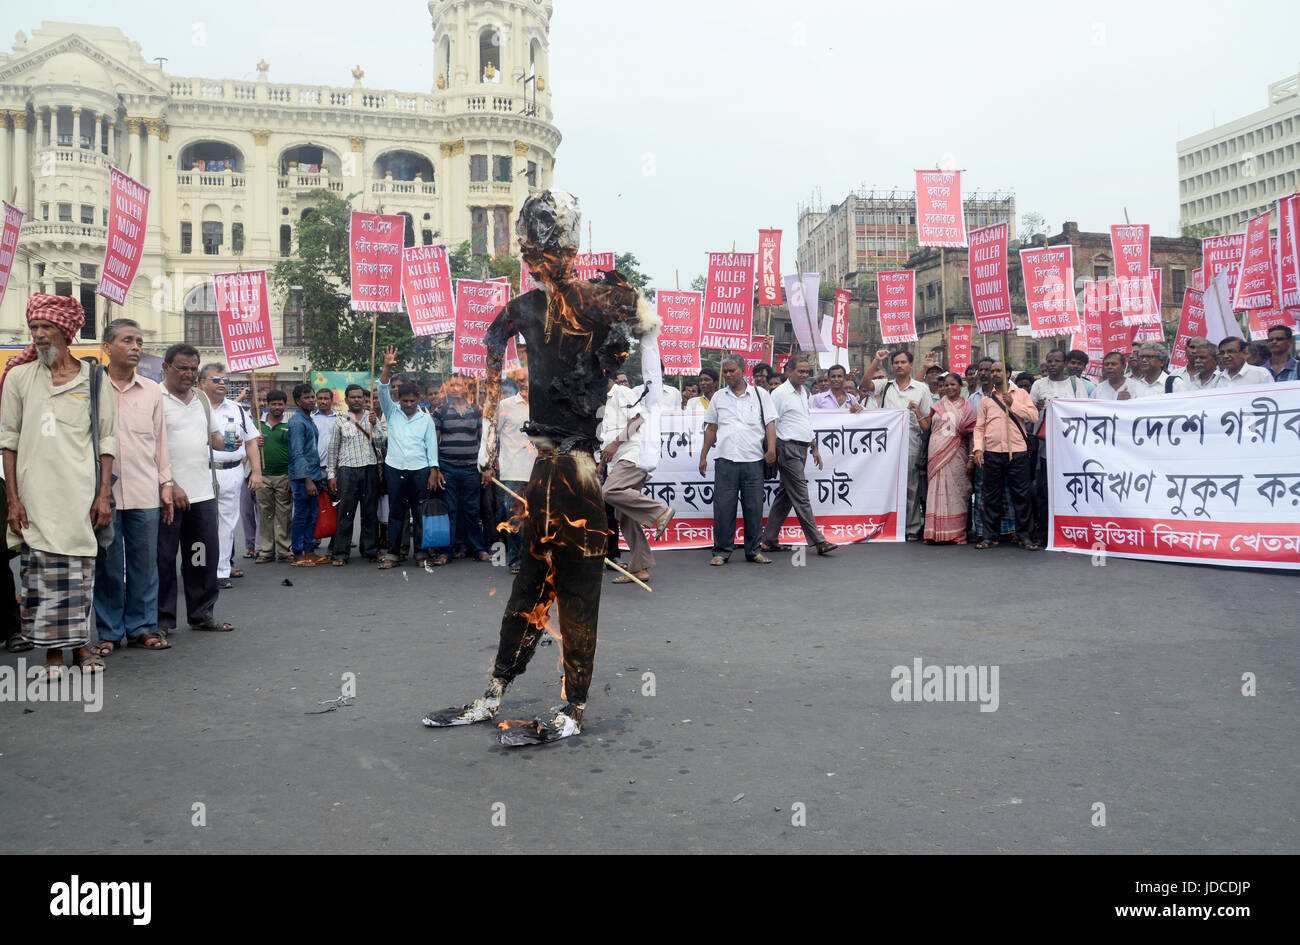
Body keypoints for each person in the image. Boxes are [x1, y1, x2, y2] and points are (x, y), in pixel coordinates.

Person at [424, 188, 659, 744]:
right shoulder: (532, 307)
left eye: (543, 245)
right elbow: (489, 358)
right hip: (548, 473)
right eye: (534, 248)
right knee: (529, 586)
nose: (538, 258)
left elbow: (647, 328)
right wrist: (486, 442)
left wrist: (640, 385)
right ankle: (494, 693)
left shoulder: (596, 300)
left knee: (576, 590)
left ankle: (573, 708)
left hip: (575, 472)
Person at [2, 294, 115, 675]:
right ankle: (52, 655)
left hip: (80, 495)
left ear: (67, 332)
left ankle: (81, 649)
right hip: (34, 498)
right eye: (34, 328)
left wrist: (103, 497)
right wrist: (13, 502)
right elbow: (9, 441)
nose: (39, 335)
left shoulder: (94, 377)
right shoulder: (18, 378)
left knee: (80, 576)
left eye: (46, 327)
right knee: (41, 578)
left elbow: (107, 442)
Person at [91, 318, 173, 654]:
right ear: (108, 348)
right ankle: (109, 632)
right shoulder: (91, 390)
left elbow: (160, 443)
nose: (136, 347)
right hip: (102, 495)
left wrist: (166, 484)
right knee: (107, 566)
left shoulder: (152, 391)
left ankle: (142, 627)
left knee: (144, 565)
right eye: (128, 341)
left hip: (144, 492)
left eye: (139, 341)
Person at [158, 343, 233, 631]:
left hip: (202, 495)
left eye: (193, 369)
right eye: (182, 368)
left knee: (200, 556)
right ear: (166, 368)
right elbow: (148, 445)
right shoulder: (156, 397)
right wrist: (169, 483)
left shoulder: (201, 398)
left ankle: (201, 614)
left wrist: (228, 442)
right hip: (167, 494)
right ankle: (162, 620)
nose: (188, 374)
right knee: (163, 559)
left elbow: (213, 437)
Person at [699, 354, 776, 565]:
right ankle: (721, 552)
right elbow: (712, 427)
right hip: (725, 460)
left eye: (732, 370)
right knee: (724, 508)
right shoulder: (718, 397)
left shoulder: (760, 394)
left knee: (754, 508)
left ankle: (753, 551)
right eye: (726, 371)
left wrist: (771, 449)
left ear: (743, 371)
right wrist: (703, 455)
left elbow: (770, 424)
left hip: (753, 460)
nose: (729, 375)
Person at [599, 376, 675, 584]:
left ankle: (660, 511)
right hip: (617, 461)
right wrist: (602, 465)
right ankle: (640, 568)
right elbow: (606, 442)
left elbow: (638, 419)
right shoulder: (603, 403)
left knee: (610, 492)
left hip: (632, 455)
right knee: (624, 515)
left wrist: (615, 444)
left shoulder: (621, 392)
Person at [759, 355, 835, 555]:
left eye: (806, 371)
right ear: (788, 372)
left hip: (802, 448)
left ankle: (768, 540)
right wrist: (772, 449)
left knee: (786, 496)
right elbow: (771, 423)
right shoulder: (779, 394)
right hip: (786, 448)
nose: (804, 375)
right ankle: (818, 541)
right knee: (801, 496)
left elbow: (805, 422)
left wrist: (815, 448)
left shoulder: (804, 392)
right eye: (800, 371)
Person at [377, 348, 442, 568]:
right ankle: (394, 553)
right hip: (394, 468)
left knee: (419, 512)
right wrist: (387, 367)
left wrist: (433, 471)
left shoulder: (426, 420)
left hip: (420, 469)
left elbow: (431, 447)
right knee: (396, 512)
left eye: (412, 401)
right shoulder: (391, 411)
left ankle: (421, 553)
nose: (408, 405)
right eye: (405, 401)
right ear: (399, 399)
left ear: (418, 400)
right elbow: (382, 388)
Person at [198, 364, 261, 588]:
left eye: (225, 380)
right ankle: (198, 570)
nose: (222, 383)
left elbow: (251, 440)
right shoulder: (194, 407)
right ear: (201, 383)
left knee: (226, 524)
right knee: (200, 525)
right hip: (200, 472)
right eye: (216, 379)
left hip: (231, 472)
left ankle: (221, 571)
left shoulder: (236, 409)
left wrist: (256, 471)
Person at [866, 348, 932, 541]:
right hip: (887, 448)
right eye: (896, 363)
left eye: (903, 362)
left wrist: (918, 411)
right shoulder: (885, 385)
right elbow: (865, 384)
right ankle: (886, 525)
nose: (899, 366)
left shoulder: (922, 389)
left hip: (911, 445)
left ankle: (911, 528)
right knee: (886, 486)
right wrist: (876, 360)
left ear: (911, 365)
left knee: (911, 488)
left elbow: (927, 424)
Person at [972, 361, 1039, 550]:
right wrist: (978, 449)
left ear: (1008, 373)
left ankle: (1026, 537)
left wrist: (1013, 404)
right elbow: (979, 427)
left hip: (1017, 453)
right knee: (991, 496)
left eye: (998, 370)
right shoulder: (986, 400)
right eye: (992, 371)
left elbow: (1033, 416)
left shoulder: (1022, 394)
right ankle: (988, 536)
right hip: (993, 453)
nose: (994, 374)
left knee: (1021, 496)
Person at [480, 372, 536, 572]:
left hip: (540, 470)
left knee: (538, 517)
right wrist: (487, 465)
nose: (525, 384)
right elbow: (491, 435)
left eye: (528, 379)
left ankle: (536, 560)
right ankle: (516, 560)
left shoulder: (544, 406)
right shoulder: (506, 405)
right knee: (514, 516)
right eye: (521, 380)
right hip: (513, 471)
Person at [433, 373, 488, 563]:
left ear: (467, 387)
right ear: (448, 387)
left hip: (471, 469)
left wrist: (486, 467)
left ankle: (478, 549)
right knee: (450, 510)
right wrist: (437, 468)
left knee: (472, 510)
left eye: (460, 385)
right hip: (448, 468)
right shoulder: (441, 411)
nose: (456, 388)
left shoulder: (476, 410)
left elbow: (483, 441)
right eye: (453, 385)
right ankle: (447, 552)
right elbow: (436, 441)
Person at [326, 383, 384, 565]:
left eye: (360, 397)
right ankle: (341, 553)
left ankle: (370, 550)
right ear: (346, 400)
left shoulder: (372, 417)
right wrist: (331, 475)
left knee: (370, 514)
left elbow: (381, 442)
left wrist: (375, 426)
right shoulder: (340, 421)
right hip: (347, 471)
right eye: (353, 397)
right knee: (346, 514)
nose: (357, 400)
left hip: (370, 469)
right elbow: (333, 450)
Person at [924, 372, 976, 544]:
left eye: (953, 384)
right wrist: (917, 412)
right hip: (935, 453)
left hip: (957, 454)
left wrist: (970, 458)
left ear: (961, 387)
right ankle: (933, 533)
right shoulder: (937, 406)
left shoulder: (966, 407)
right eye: (946, 385)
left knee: (957, 491)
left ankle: (956, 534)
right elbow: (927, 428)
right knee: (935, 490)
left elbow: (971, 434)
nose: (949, 388)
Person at [286, 384, 326, 567]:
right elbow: (297, 453)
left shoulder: (308, 419)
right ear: (297, 401)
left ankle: (309, 551)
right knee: (301, 515)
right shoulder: (297, 423)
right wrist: (307, 480)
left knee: (312, 514)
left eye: (312, 397)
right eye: (307, 397)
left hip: (314, 475)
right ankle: (298, 553)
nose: (312, 400)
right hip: (303, 478)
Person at [254, 390, 293, 562]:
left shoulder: (290, 425)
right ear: (267, 405)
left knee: (284, 514)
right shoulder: (256, 425)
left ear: (285, 405)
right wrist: (255, 443)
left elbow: (294, 452)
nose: (277, 407)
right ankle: (267, 551)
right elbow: (246, 449)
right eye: (273, 404)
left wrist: (292, 477)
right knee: (265, 514)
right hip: (262, 476)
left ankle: (284, 550)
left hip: (283, 475)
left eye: (280, 404)